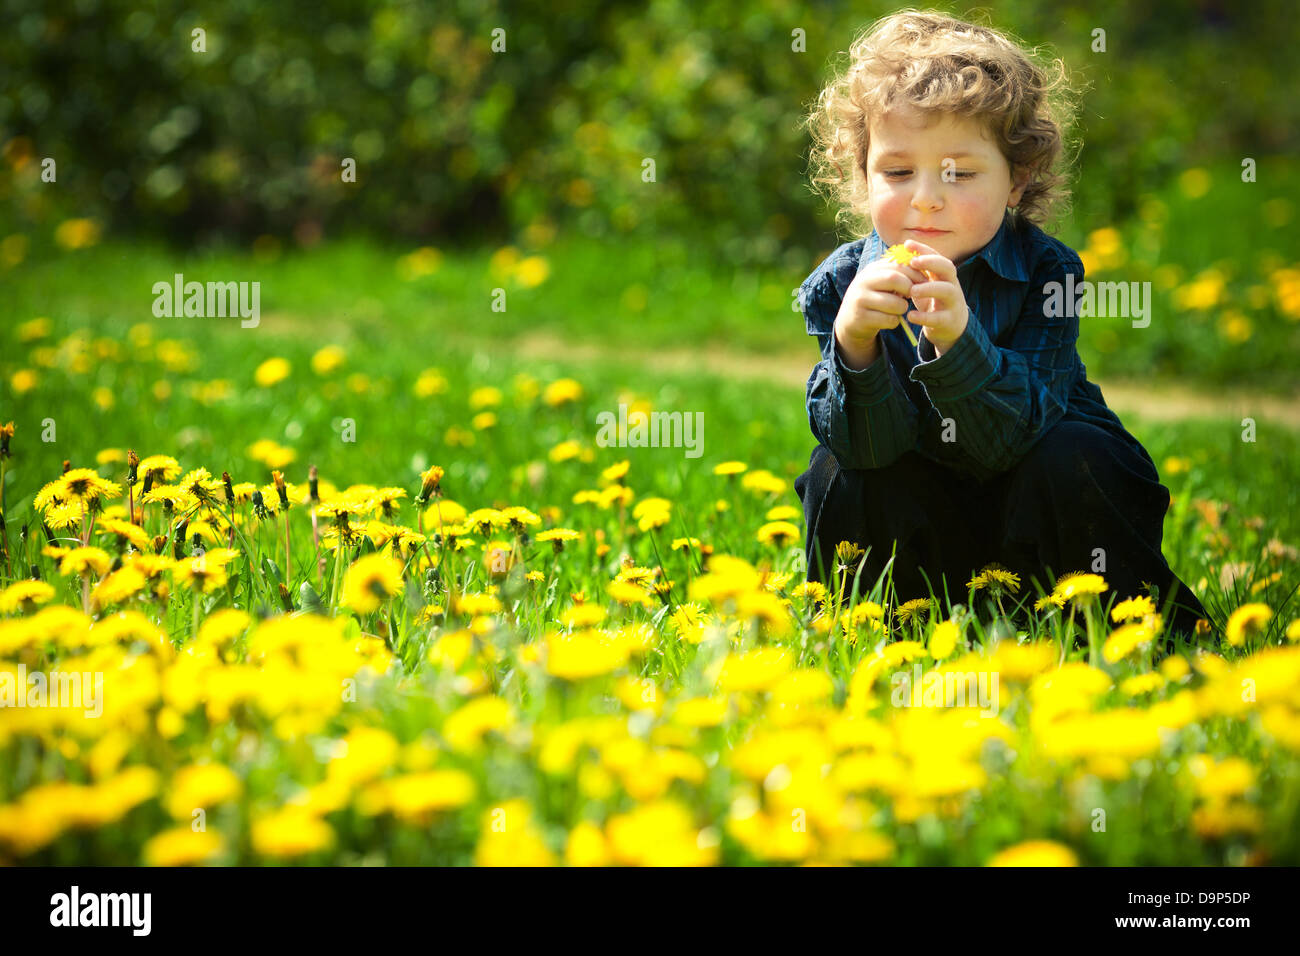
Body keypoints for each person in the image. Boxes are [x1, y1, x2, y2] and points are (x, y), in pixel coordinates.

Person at [793, 9, 1209, 639]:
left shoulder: (1048, 274)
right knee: (840, 470)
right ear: (862, 177)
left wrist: (958, 343)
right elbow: (864, 448)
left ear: (1017, 181)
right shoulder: (843, 285)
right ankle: (869, 629)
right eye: (898, 172)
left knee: (1078, 453)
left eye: (959, 172)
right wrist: (856, 350)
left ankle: (1129, 630)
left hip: (1038, 521)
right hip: (932, 540)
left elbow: (1012, 440)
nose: (925, 197)